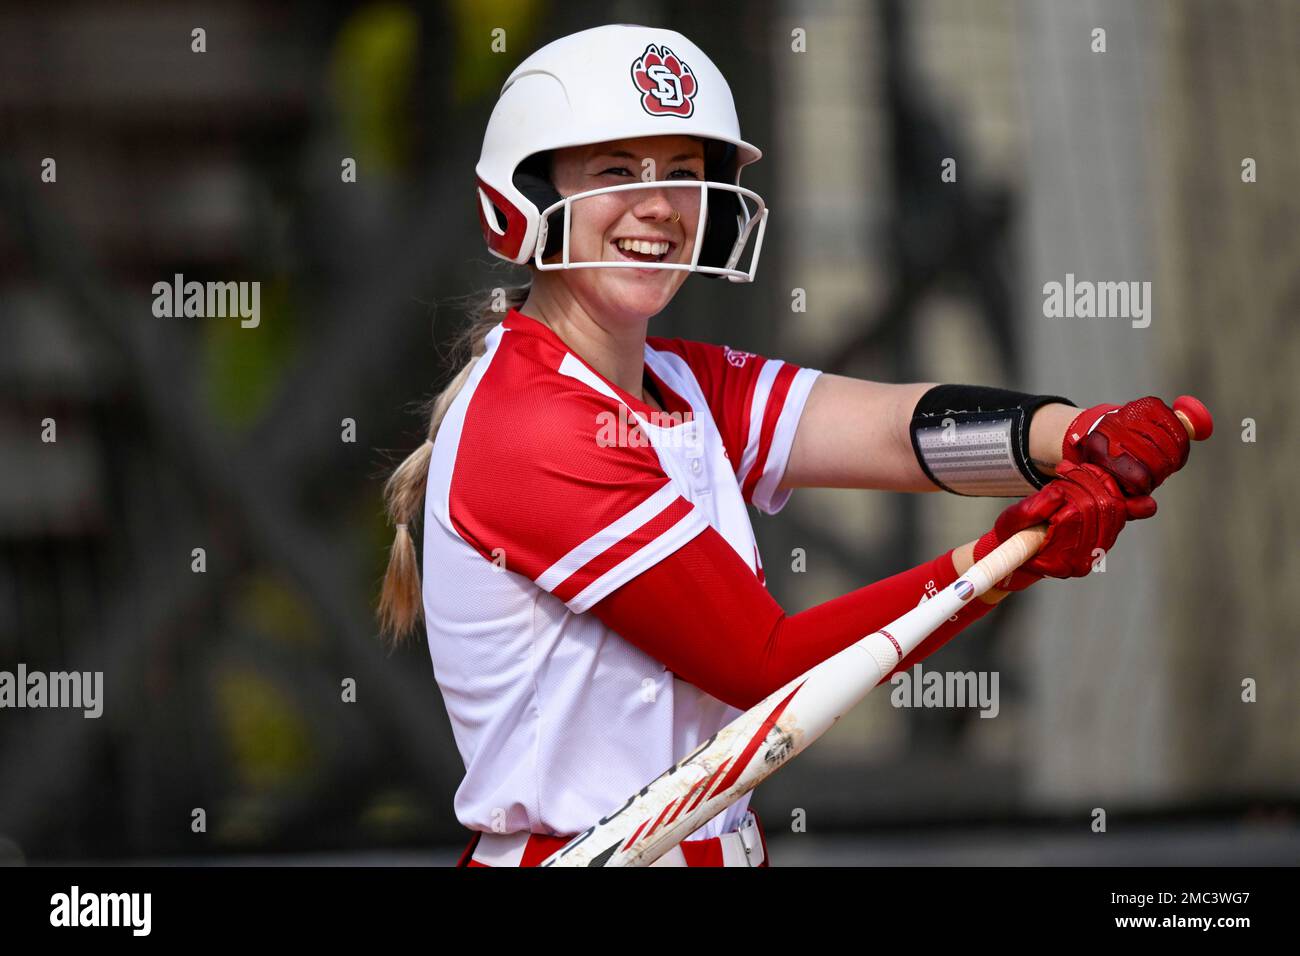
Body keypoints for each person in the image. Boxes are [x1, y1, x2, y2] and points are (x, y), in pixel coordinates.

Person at [376, 24, 1192, 868]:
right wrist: (1002, 562)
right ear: (525, 197)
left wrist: (1080, 434)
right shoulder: (535, 423)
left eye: (685, 176)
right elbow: (765, 666)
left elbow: (889, 431)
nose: (658, 206)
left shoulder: (675, 380)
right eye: (618, 172)